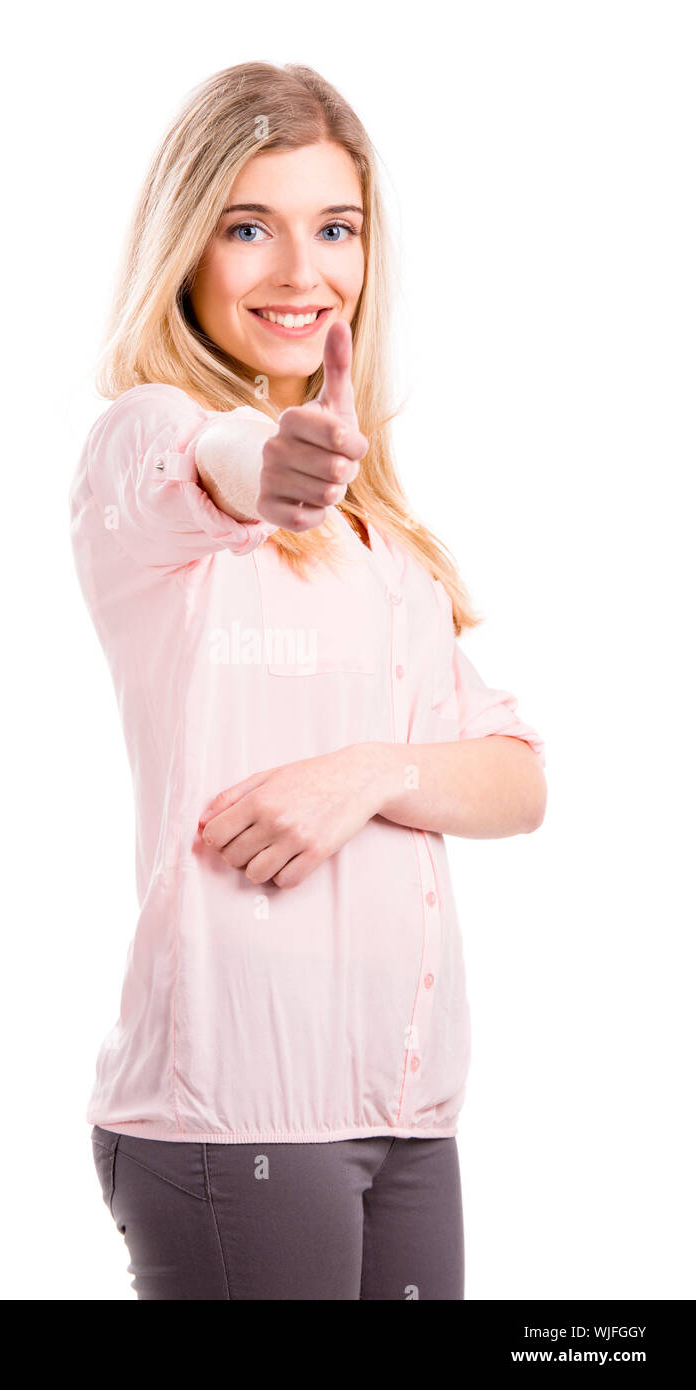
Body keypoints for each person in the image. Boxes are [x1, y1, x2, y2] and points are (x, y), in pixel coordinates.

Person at [69, 61, 547, 1301]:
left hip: (406, 1113)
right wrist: (268, 460)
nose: (299, 271)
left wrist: (371, 772)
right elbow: (210, 459)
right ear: (186, 247)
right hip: (235, 1118)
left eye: (333, 227)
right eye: (247, 228)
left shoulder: (383, 540)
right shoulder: (146, 446)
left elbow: (514, 780)